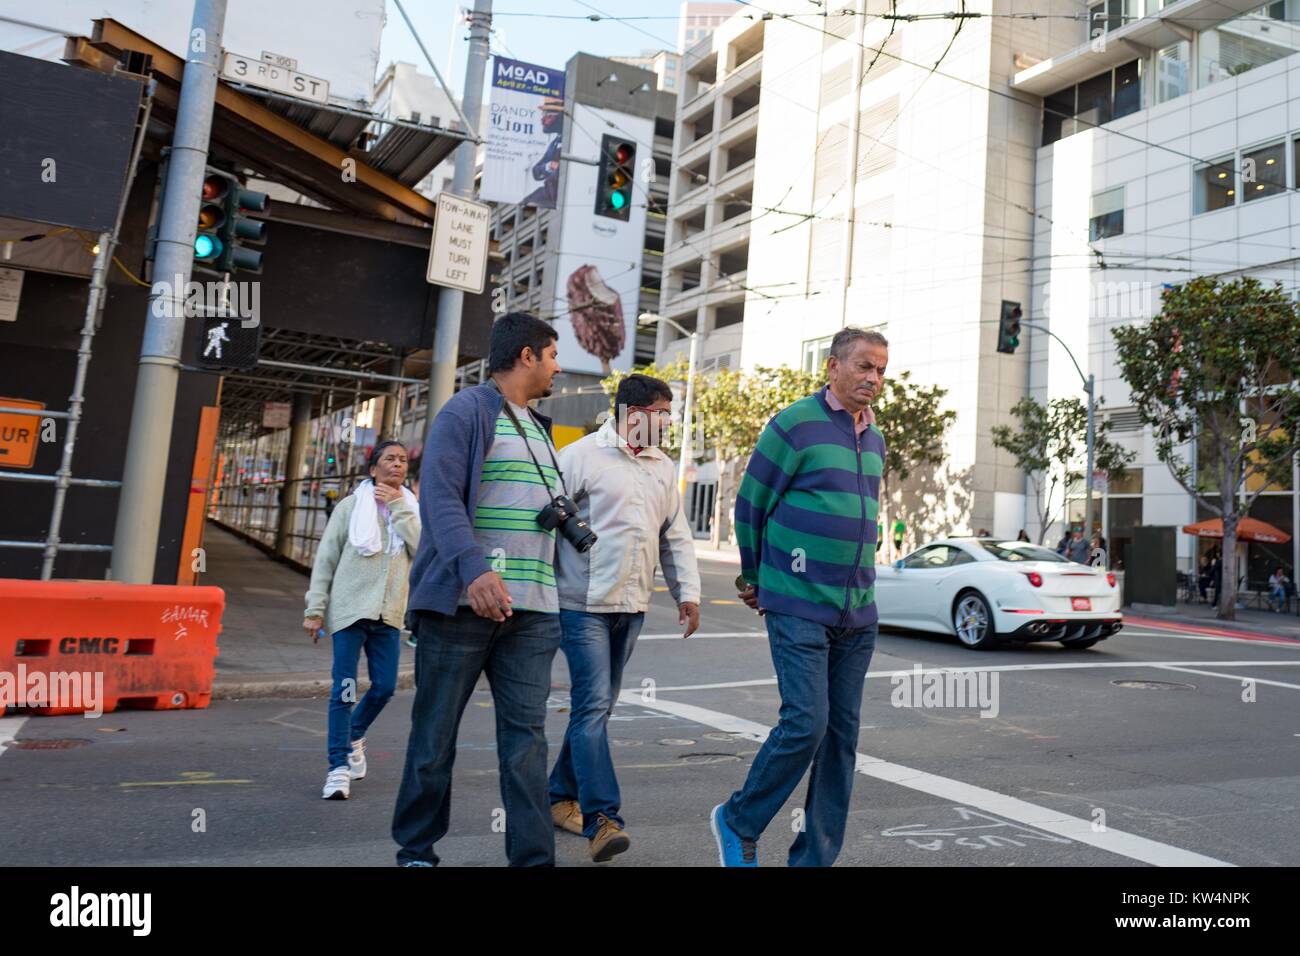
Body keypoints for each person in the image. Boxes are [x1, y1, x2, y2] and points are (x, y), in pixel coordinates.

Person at [391, 313, 566, 867]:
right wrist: (473, 569)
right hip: (461, 607)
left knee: (526, 745)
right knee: (433, 739)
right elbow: (439, 498)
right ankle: (416, 850)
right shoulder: (467, 411)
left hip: (534, 611)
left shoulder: (540, 427)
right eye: (553, 354)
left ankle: (533, 860)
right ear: (527, 356)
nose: (558, 366)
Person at [712, 326, 887, 867]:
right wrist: (753, 577)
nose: (874, 379)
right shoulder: (793, 425)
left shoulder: (875, 437)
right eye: (864, 366)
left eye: (881, 369)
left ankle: (814, 859)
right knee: (806, 724)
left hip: (857, 611)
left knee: (840, 741)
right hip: (797, 602)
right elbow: (750, 505)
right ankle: (738, 820)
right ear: (833, 366)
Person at [548, 374, 702, 861]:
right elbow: (548, 518)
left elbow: (673, 535)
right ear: (632, 412)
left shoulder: (661, 466)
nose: (668, 420)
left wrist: (688, 594)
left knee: (598, 709)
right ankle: (602, 818)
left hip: (631, 606)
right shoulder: (581, 456)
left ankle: (558, 795)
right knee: (593, 706)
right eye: (662, 411)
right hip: (582, 605)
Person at [304, 440, 419, 800]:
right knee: (344, 689)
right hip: (350, 611)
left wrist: (398, 506)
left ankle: (354, 734)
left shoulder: (412, 510)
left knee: (385, 686)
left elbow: (423, 548)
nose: (397, 464)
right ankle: (337, 767)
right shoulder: (350, 507)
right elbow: (326, 559)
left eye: (402, 460)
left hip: (388, 614)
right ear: (373, 469)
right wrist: (315, 608)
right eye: (389, 459)